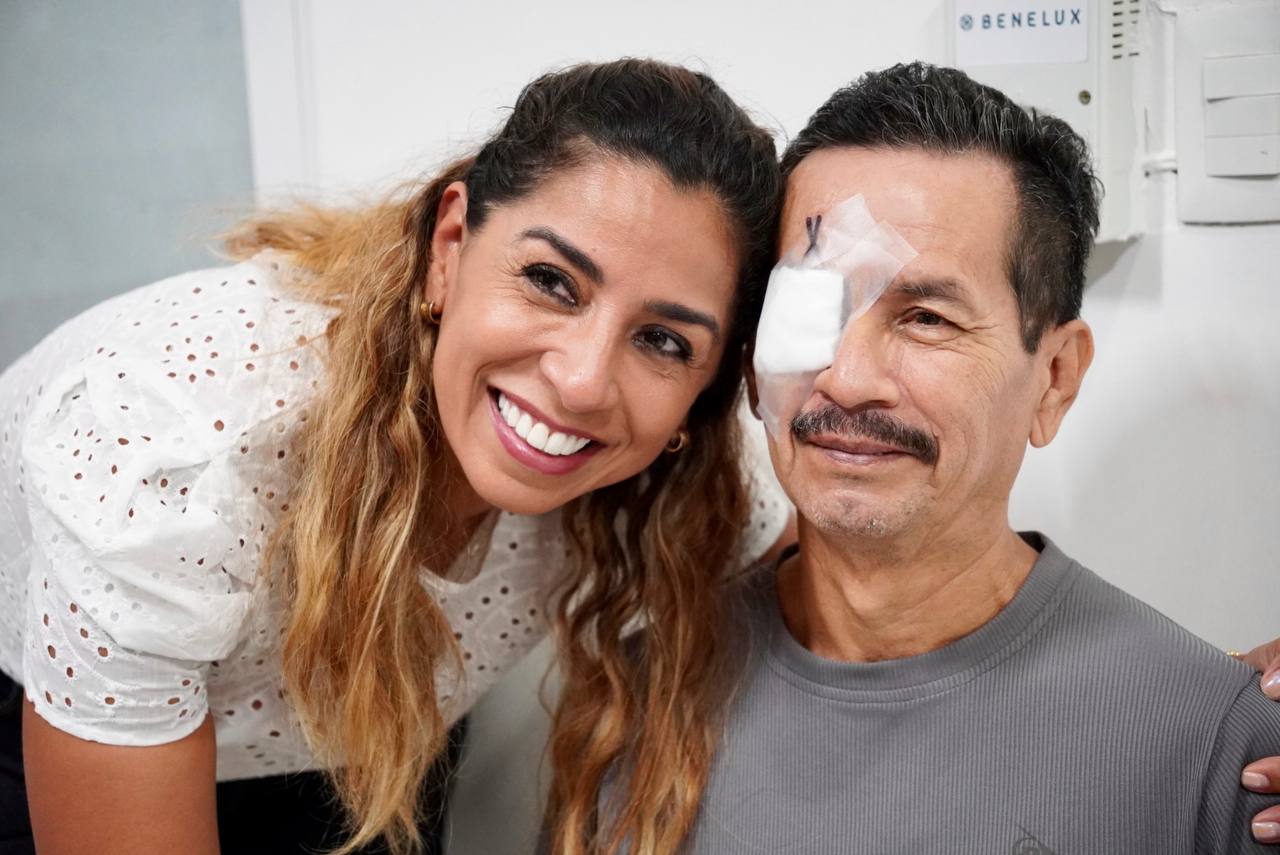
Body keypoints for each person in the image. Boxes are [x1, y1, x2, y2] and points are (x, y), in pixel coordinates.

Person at [0, 59, 793, 854]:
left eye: (662, 340)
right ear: (450, 247)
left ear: (708, 389)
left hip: (363, 733)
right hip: (50, 718)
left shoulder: (690, 477)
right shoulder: (178, 449)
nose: (581, 382)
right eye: (551, 281)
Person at [544, 63, 1280, 854]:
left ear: (1055, 379)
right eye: (813, 306)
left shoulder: (1216, 743)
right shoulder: (633, 695)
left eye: (926, 317)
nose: (848, 378)